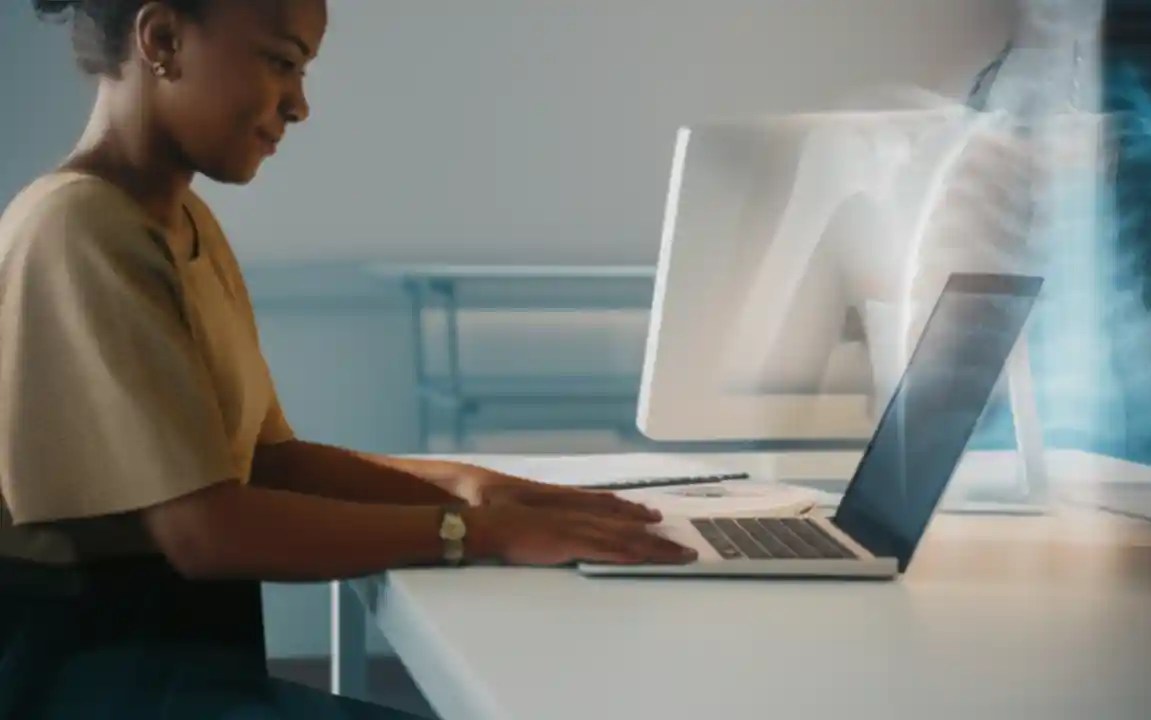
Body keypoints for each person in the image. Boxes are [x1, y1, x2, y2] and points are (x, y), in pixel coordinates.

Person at [0, 1, 694, 717]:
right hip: (96, 683)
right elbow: (205, 534)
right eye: (281, 61)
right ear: (164, 39)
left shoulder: (180, 222)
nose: (298, 104)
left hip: (180, 669)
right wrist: (474, 533)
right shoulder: (78, 229)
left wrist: (474, 489)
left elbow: (270, 461)